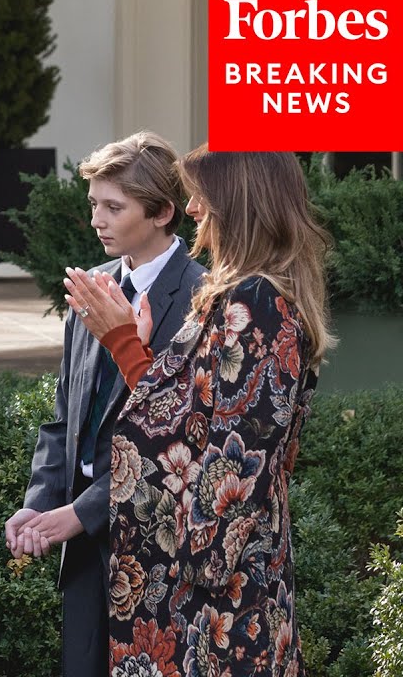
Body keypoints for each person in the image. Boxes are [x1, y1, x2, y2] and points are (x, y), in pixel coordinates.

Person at [63, 148, 333, 675]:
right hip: (204, 583)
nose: (190, 208)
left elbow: (233, 460)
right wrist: (131, 350)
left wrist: (183, 576)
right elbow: (188, 422)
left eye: (200, 194)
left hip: (218, 599)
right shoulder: (240, 294)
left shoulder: (257, 303)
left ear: (237, 203)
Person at [4, 131, 206, 676]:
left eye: (114, 207)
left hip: (157, 534)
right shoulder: (92, 286)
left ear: (164, 211)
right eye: (94, 203)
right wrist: (41, 503)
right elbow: (65, 417)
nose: (98, 218)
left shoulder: (203, 299)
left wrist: (81, 513)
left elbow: (177, 436)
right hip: (80, 535)